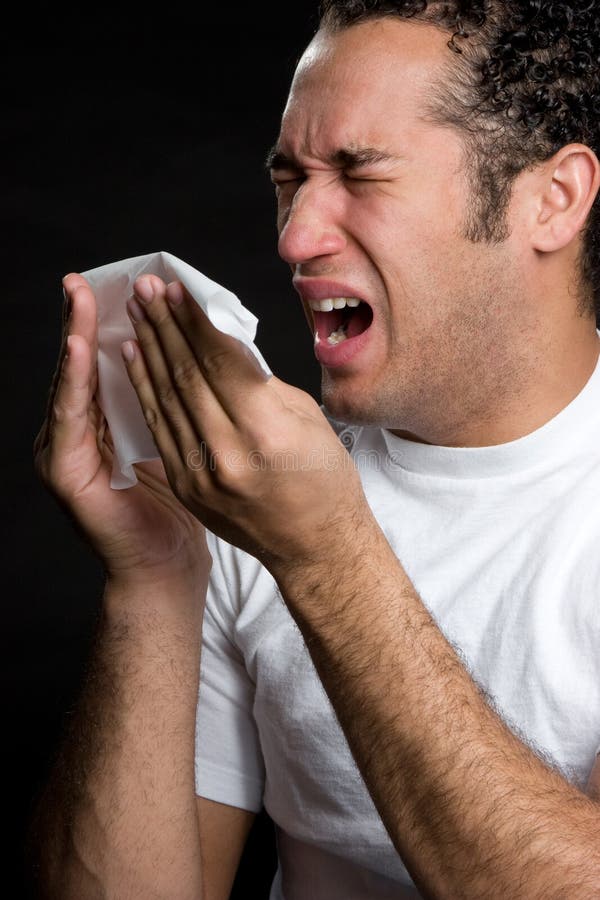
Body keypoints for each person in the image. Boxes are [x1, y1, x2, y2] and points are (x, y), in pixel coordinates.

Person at [31, 1, 600, 897]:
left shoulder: (293, 512)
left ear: (552, 199)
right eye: (290, 177)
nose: (295, 236)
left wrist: (327, 557)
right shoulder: (247, 490)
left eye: (361, 174)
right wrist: (155, 576)